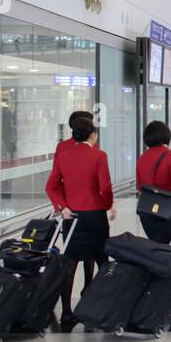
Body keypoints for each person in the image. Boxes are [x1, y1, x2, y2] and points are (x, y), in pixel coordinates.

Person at [46, 111, 114, 328]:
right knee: (102, 260)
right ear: (92, 135)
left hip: (72, 217)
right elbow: (105, 187)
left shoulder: (64, 156)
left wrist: (63, 206)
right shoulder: (99, 156)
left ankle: (66, 311)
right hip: (95, 215)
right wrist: (109, 205)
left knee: (70, 262)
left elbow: (51, 186)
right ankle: (102, 307)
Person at [136, 121, 171, 244]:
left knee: (156, 249)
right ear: (167, 137)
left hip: (146, 211)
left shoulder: (142, 158)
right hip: (168, 211)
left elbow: (140, 187)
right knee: (170, 250)